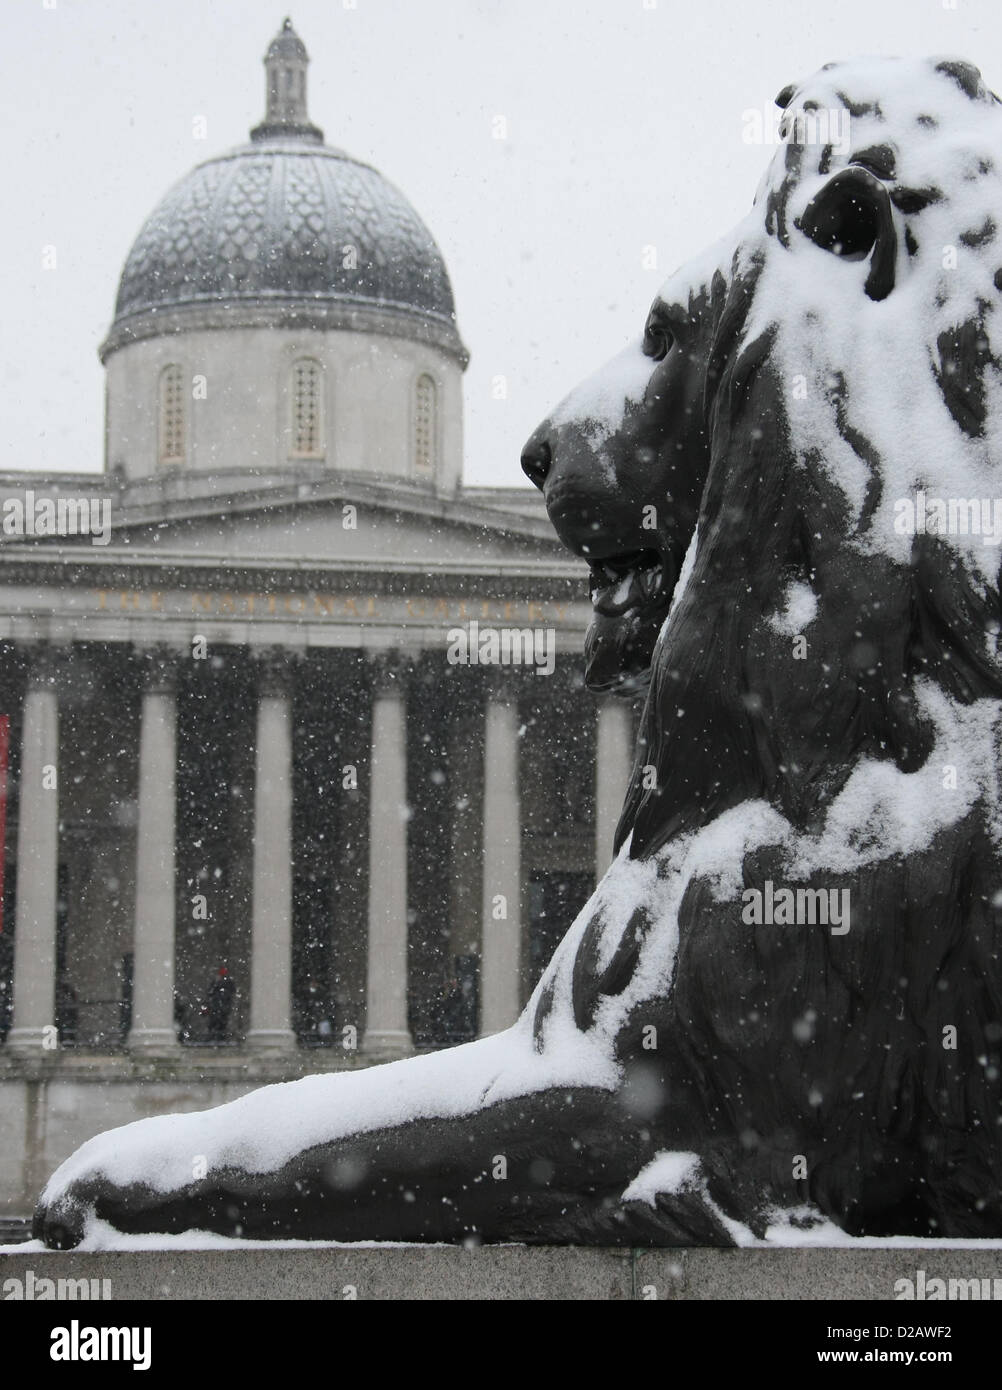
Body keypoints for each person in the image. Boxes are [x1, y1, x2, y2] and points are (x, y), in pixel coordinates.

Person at [206, 966, 235, 1044]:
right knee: (214, 1022)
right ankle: (214, 1038)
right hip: (216, 1007)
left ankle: (220, 1038)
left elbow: (230, 992)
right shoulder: (216, 982)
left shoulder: (228, 983)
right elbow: (210, 992)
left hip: (222, 1007)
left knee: (221, 1023)